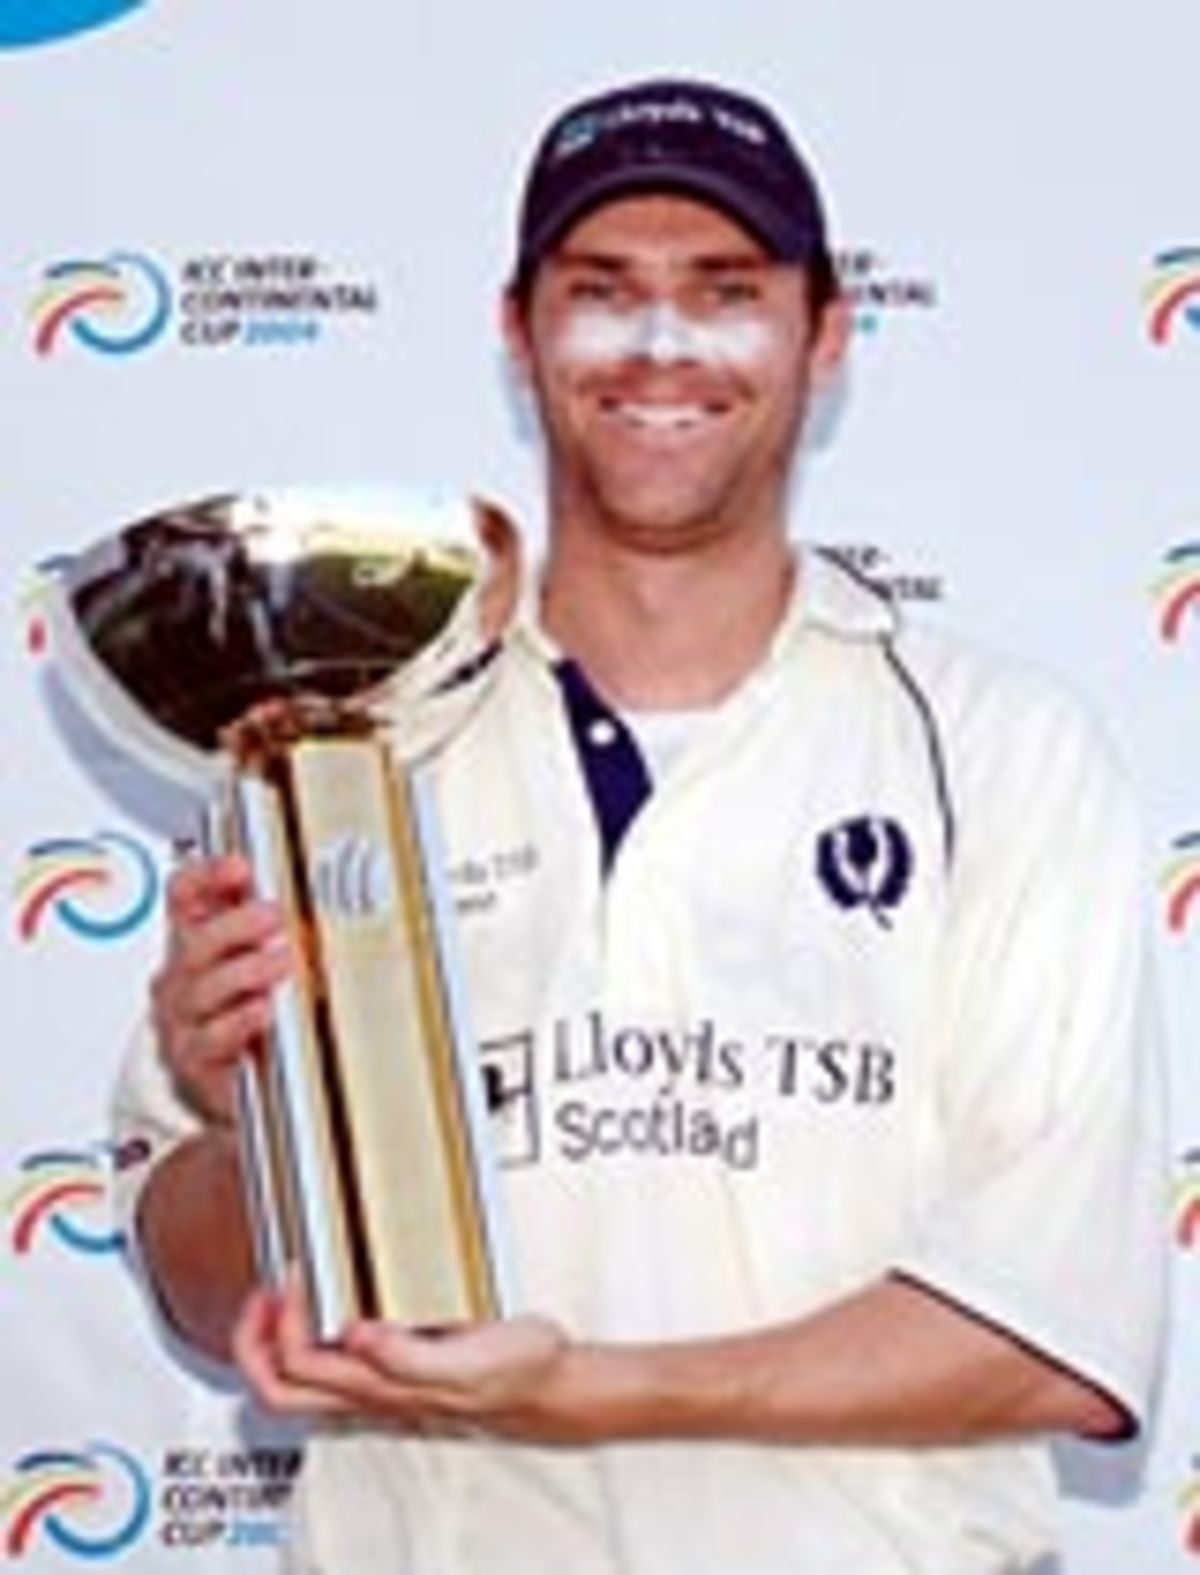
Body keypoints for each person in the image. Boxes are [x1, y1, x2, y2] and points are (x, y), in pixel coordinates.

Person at [113, 76, 1166, 1575]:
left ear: (826, 337)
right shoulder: (339, 748)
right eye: (603, 293)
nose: (660, 348)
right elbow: (210, 1291)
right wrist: (244, 1118)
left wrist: (589, 1397)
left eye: (724, 292)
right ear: (519, 331)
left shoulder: (1001, 752)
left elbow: (1050, 1338)